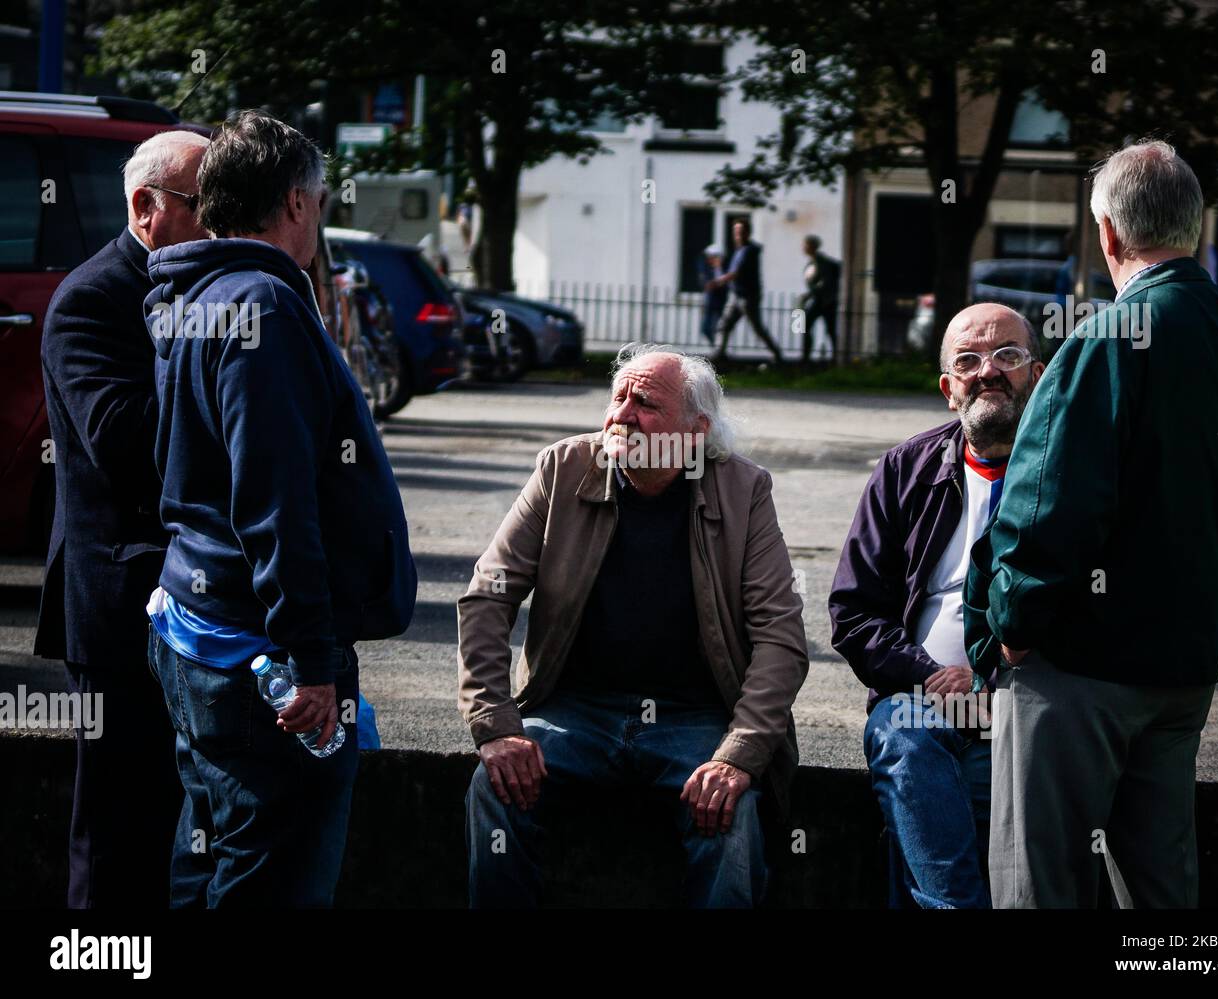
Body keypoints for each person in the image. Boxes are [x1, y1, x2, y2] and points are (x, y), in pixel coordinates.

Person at [965, 140, 1218, 908]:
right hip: (1184, 668)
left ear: (1109, 235)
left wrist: (1012, 625)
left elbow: (1046, 503)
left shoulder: (1104, 340)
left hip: (1076, 668)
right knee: (1159, 892)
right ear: (1194, 225)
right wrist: (1216, 604)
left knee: (1041, 884)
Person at [145, 110, 417, 906]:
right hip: (261, 655)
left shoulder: (190, 292)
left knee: (209, 860)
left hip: (196, 630)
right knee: (272, 877)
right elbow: (275, 499)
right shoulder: (263, 302)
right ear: (296, 204)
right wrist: (313, 660)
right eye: (322, 204)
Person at [459, 344, 808, 907]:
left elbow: (781, 637)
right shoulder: (562, 468)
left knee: (730, 809)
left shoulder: (744, 490)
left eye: (644, 403)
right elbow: (486, 597)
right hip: (574, 710)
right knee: (493, 788)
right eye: (617, 397)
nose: (621, 414)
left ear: (695, 430)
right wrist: (497, 725)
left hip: (694, 716)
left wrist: (738, 754)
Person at [34, 129, 211, 909]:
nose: (227, 224)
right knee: (111, 833)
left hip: (191, 605)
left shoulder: (200, 292)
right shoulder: (92, 297)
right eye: (211, 206)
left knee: (177, 826)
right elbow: (124, 443)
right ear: (147, 208)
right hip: (117, 611)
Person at [829, 303, 1044, 909]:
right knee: (907, 738)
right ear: (949, 389)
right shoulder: (905, 468)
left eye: (1008, 355)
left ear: (1039, 371)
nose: (989, 372)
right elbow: (853, 612)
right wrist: (931, 677)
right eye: (968, 362)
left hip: (1026, 703)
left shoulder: (1067, 474)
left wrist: (994, 681)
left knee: (929, 810)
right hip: (921, 701)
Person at [708, 220, 784, 363]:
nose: (738, 235)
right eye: (736, 232)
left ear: (748, 233)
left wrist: (718, 281)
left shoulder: (749, 251)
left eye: (741, 232)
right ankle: (718, 356)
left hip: (748, 297)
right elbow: (732, 272)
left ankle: (777, 356)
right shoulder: (739, 251)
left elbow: (736, 273)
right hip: (735, 295)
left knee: (757, 328)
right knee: (724, 325)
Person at [799, 235, 841, 362]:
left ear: (812, 246)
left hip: (825, 301)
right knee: (806, 326)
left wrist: (810, 294)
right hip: (820, 300)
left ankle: (808, 357)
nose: (803, 247)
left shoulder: (821, 262)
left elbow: (825, 282)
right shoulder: (813, 262)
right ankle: (806, 356)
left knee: (829, 329)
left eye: (805, 245)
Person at [698, 244, 727, 345]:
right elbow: (706, 284)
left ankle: (718, 347)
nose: (709, 260)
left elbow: (723, 284)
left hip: (719, 303)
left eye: (712, 257)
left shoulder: (723, 269)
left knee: (717, 329)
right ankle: (715, 346)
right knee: (706, 329)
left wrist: (718, 269)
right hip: (709, 302)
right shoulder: (707, 270)